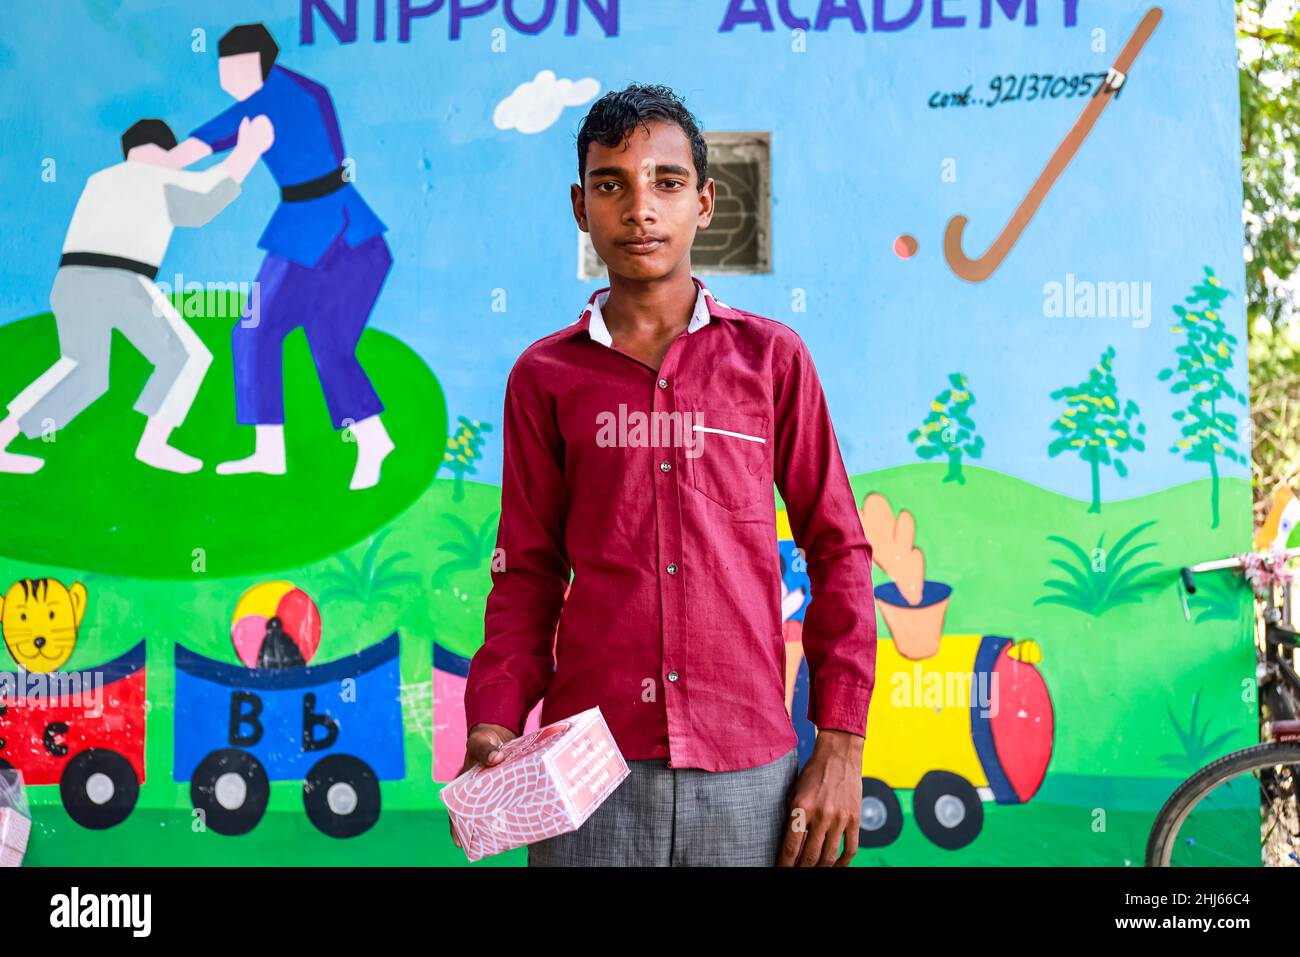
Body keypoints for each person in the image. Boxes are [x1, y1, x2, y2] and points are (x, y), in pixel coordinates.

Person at [457, 85, 877, 866]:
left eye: (667, 182)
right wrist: (496, 717)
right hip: (586, 776)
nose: (639, 208)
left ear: (706, 202)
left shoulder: (772, 362)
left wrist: (842, 744)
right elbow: (528, 573)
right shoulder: (543, 378)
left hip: (751, 770)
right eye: (611, 184)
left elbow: (839, 549)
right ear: (581, 207)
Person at [154, 22, 395, 491]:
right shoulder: (294, 91)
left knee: (271, 333)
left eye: (232, 70)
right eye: (224, 71)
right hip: (340, 235)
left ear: (255, 64)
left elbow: (190, 154)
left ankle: (342, 444)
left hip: (326, 236)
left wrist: (150, 168)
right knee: (280, 336)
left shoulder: (271, 103)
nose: (227, 81)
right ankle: (307, 447)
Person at [0, 115, 273, 475]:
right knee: (185, 356)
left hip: (69, 282)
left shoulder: (101, 179)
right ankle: (154, 444)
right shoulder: (158, 176)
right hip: (121, 281)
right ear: (167, 150)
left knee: (83, 369)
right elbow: (205, 200)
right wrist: (249, 151)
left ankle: (4, 437)